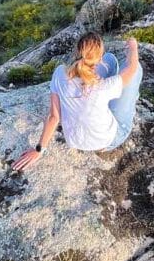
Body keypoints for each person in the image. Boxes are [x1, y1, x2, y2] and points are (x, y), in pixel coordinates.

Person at [12, 32, 142, 170]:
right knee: (137, 70)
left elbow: (54, 117)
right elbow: (132, 68)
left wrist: (39, 150)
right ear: (98, 60)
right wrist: (133, 47)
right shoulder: (103, 86)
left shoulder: (59, 73)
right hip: (107, 140)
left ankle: (101, 103)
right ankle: (125, 101)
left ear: (76, 52)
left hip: (74, 141)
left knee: (110, 58)